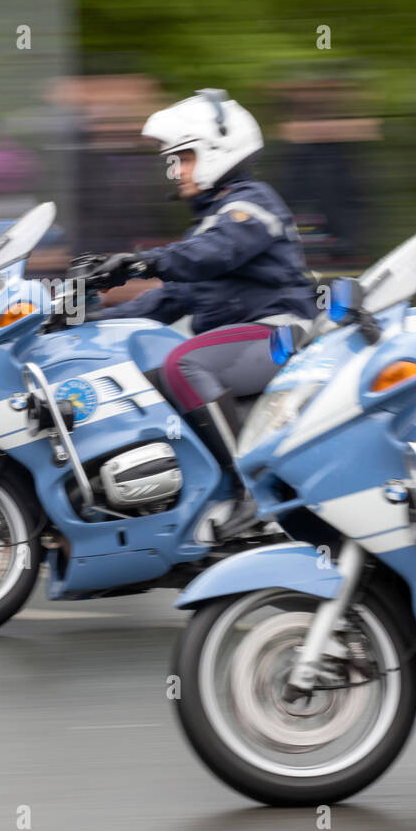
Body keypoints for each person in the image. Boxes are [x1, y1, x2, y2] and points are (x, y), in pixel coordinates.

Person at [81, 90, 318, 527]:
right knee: (139, 380)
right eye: (174, 161)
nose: (176, 171)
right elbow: (167, 300)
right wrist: (83, 323)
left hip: (278, 334)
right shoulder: (212, 218)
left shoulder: (250, 203)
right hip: (243, 341)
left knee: (182, 365)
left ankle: (252, 489)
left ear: (217, 150)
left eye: (184, 158)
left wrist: (140, 261)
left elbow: (212, 254)